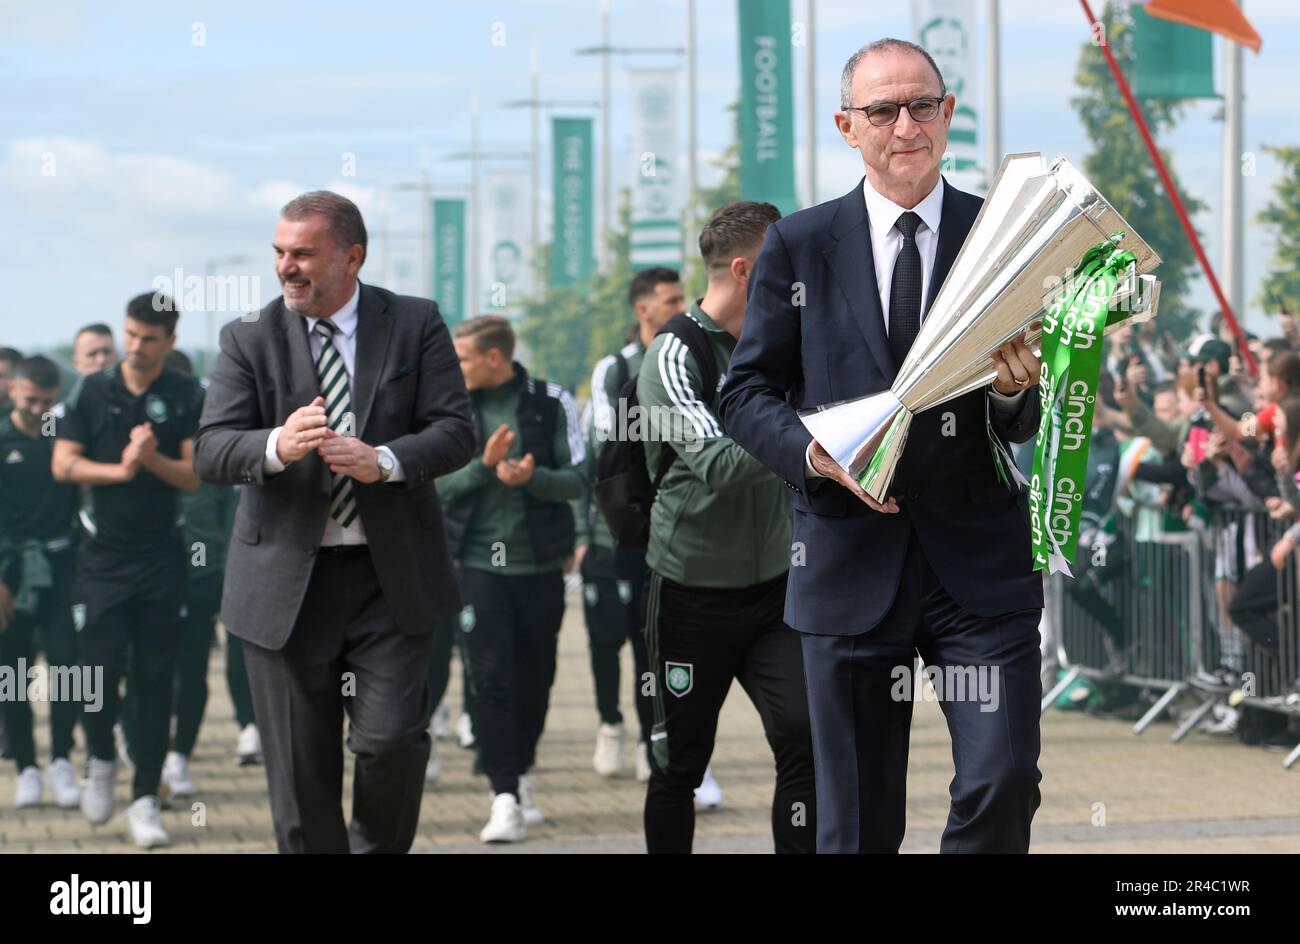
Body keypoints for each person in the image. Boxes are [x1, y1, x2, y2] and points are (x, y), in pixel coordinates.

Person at [720, 38, 1044, 853]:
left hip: (980, 564)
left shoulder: (1002, 233)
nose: (907, 125)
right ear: (846, 125)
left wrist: (1014, 391)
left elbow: (1034, 408)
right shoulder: (798, 245)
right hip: (848, 558)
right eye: (884, 110)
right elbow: (747, 391)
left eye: (924, 106)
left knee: (1002, 779)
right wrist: (812, 455)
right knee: (857, 824)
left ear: (948, 115)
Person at [193, 191, 476, 854]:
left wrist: (383, 460)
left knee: (392, 742)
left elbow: (456, 432)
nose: (286, 267)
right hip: (284, 587)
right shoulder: (246, 337)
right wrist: (274, 445)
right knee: (300, 772)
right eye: (279, 253)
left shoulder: (414, 322)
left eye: (303, 254)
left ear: (352, 256)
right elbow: (210, 449)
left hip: (391, 581)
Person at [638, 200, 816, 854]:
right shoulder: (673, 356)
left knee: (805, 742)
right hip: (688, 591)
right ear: (746, 270)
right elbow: (715, 463)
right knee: (677, 768)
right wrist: (811, 439)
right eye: (785, 260)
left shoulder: (788, 344)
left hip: (775, 589)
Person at [52, 293, 204, 848]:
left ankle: (144, 798)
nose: (135, 348)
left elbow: (192, 476)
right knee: (97, 672)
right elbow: (63, 463)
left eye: (148, 339)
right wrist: (121, 469)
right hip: (101, 559)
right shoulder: (93, 389)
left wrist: (152, 459)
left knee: (156, 679)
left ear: (169, 342)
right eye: (130, 335)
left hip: (161, 556)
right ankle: (98, 759)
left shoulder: (186, 393)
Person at [439, 315, 585, 843]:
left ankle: (521, 771)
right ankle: (502, 796)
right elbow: (435, 486)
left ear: (494, 357)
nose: (456, 369)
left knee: (535, 676)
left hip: (541, 565)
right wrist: (483, 466)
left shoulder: (551, 401)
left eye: (464, 359)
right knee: (491, 679)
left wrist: (533, 479)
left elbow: (579, 479)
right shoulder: (451, 409)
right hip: (476, 567)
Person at [576, 267, 683, 780]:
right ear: (643, 309)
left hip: (669, 533)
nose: (682, 306)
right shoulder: (615, 369)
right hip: (615, 532)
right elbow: (606, 452)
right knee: (603, 642)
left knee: (652, 642)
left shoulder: (691, 358)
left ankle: (650, 738)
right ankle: (609, 723)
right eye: (671, 299)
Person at [157, 349, 243, 796]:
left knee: (191, 667)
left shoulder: (211, 439)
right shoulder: (133, 435)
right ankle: (143, 749)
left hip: (201, 569)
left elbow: (233, 506)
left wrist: (229, 565)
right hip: (144, 567)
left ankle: (179, 757)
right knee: (144, 667)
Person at [0, 356, 81, 809]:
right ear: (12, 390)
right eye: (31, 400)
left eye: (47, 402)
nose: (38, 410)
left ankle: (62, 760)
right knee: (12, 673)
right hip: (11, 571)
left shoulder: (61, 437)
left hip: (62, 566)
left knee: (68, 664)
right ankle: (26, 768)